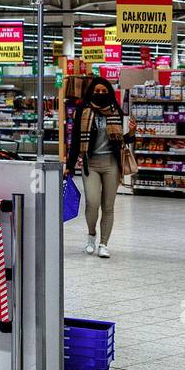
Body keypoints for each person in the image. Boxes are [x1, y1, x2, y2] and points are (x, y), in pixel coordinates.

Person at [65, 76, 135, 258]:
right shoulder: (83, 110)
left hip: (112, 164)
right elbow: (75, 142)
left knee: (108, 206)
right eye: (97, 92)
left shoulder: (115, 111)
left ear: (109, 93)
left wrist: (132, 133)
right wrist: (69, 165)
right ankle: (91, 236)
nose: (101, 94)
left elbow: (121, 141)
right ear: (91, 93)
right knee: (92, 203)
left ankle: (104, 244)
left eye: (104, 91)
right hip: (91, 164)